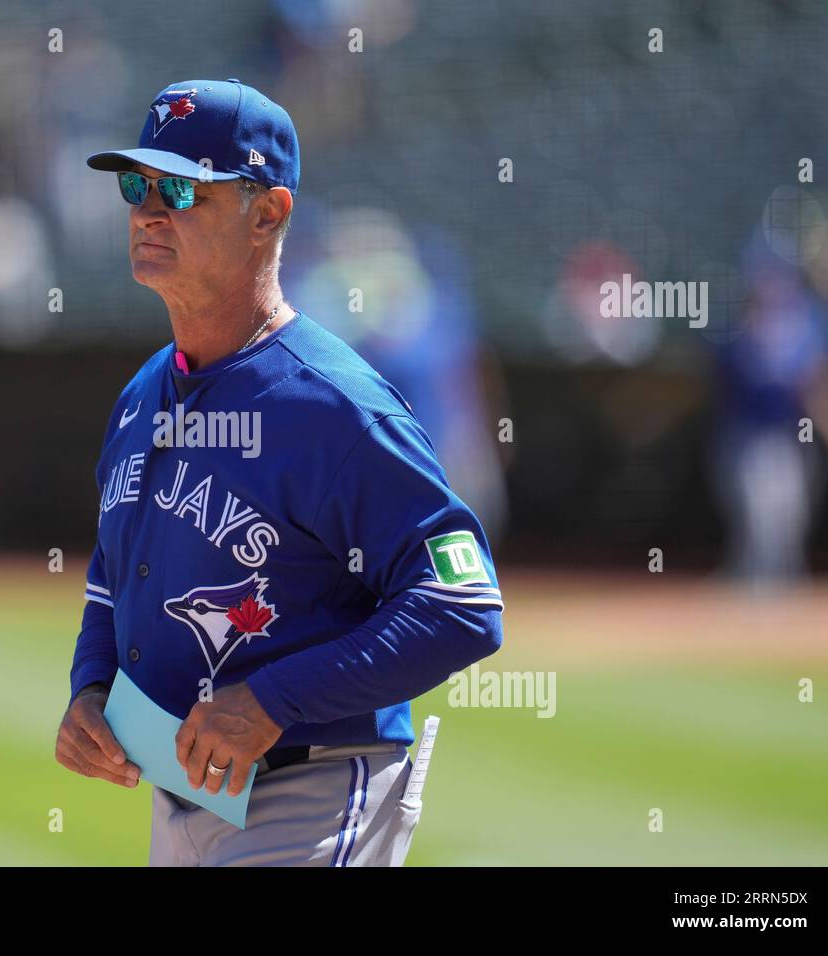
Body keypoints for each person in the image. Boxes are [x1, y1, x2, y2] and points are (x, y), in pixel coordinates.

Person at [54, 79, 504, 866]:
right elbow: (110, 578)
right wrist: (91, 685)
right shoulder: (140, 395)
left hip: (316, 791)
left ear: (268, 213)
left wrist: (272, 700)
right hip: (180, 794)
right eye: (137, 184)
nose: (149, 210)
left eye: (184, 188)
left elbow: (463, 604)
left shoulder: (332, 406)